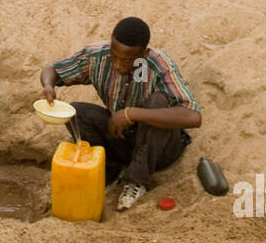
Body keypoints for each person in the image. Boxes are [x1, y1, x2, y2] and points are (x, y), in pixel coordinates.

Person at [39, 16, 201, 212]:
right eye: (114, 56)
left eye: (126, 60)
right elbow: (53, 69)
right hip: (121, 139)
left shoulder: (159, 65)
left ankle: (136, 182)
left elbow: (193, 116)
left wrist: (131, 114)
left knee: (158, 101)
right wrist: (48, 85)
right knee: (77, 113)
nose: (117, 64)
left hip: (160, 149)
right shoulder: (96, 55)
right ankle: (108, 170)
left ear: (144, 54)